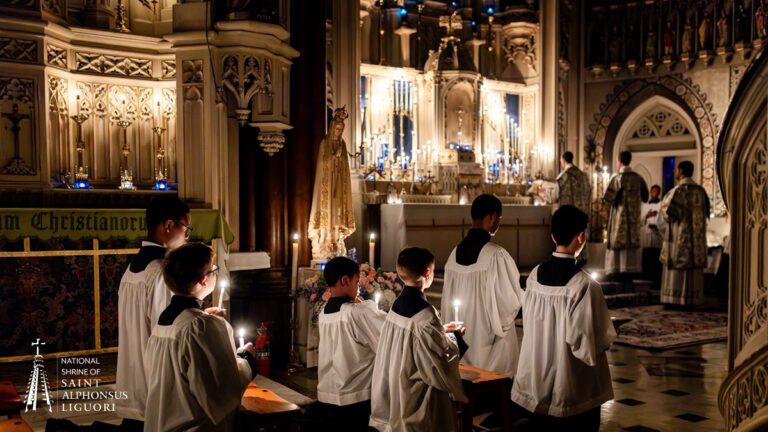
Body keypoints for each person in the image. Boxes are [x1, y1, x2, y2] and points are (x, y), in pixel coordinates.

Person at [511, 205, 615, 432]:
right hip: (569, 388)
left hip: (535, 377)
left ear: (552, 236)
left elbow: (530, 323)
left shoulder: (535, 275)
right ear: (581, 237)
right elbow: (587, 346)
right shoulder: (585, 285)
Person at [144, 242, 256, 432]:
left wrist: (204, 317)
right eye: (214, 269)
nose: (215, 273)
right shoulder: (201, 327)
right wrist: (245, 359)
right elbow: (221, 393)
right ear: (203, 280)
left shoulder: (164, 322)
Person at [370, 247, 468, 432]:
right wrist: (455, 336)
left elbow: (411, 341)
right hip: (417, 395)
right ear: (428, 272)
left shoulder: (397, 305)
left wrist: (441, 329)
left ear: (400, 273)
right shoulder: (426, 313)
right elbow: (439, 360)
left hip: (398, 385)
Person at [115, 196, 190, 429]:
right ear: (168, 225)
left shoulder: (132, 268)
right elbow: (166, 331)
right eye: (186, 228)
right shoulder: (160, 272)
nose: (187, 236)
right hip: (153, 386)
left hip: (132, 380)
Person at [442, 194, 523, 377]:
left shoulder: (454, 254)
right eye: (499, 219)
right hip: (489, 349)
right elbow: (509, 305)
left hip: (460, 345)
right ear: (492, 217)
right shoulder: (496, 255)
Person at [311, 256, 387, 431]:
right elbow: (390, 336)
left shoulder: (324, 312)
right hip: (356, 400)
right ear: (345, 280)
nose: (359, 288)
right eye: (356, 282)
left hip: (327, 399)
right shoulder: (356, 313)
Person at [308, 106, 356, 264]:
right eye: (337, 128)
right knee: (327, 211)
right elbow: (323, 163)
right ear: (332, 128)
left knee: (338, 212)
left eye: (341, 129)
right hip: (327, 187)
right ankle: (326, 241)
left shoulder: (342, 145)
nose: (338, 131)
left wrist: (340, 160)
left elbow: (345, 165)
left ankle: (337, 241)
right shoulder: (325, 144)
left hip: (339, 184)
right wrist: (334, 158)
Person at [659, 161, 710, 307]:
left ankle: (675, 299)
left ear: (681, 171)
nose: (676, 173)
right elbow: (707, 213)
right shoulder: (701, 191)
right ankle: (693, 299)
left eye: (677, 170)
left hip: (678, 240)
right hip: (697, 241)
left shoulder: (677, 191)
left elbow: (667, 213)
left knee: (677, 264)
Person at [603, 151, 649, 281]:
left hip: (619, 221)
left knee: (618, 245)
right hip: (633, 222)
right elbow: (646, 197)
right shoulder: (638, 178)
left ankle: (617, 272)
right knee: (631, 248)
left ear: (619, 161)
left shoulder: (617, 177)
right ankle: (630, 272)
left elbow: (608, 199)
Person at [641, 185, 663, 288]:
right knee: (647, 259)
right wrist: (646, 217)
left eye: (657, 191)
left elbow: (663, 220)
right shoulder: (644, 206)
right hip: (646, 235)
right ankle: (646, 281)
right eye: (653, 191)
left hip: (657, 236)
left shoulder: (661, 205)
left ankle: (656, 283)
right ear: (650, 192)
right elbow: (640, 220)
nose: (655, 193)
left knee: (656, 260)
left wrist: (657, 226)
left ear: (659, 193)